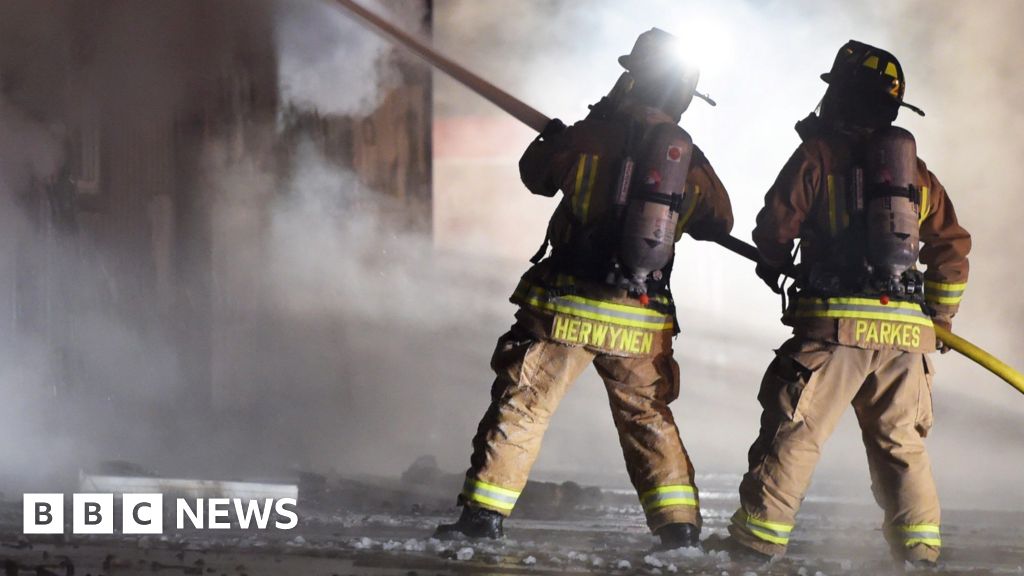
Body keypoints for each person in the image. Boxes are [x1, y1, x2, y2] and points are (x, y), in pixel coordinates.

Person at [434, 28, 733, 549]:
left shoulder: (591, 136)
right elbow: (719, 221)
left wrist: (588, 123)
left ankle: (483, 516)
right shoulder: (689, 159)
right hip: (641, 316)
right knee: (648, 418)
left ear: (633, 77)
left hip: (566, 305)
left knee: (524, 403)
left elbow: (535, 174)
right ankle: (678, 528)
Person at [721, 40, 971, 566]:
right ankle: (920, 550)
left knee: (797, 431)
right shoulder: (916, 173)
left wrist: (772, 257)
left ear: (837, 96)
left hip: (838, 325)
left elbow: (776, 223)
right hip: (907, 334)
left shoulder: (818, 154)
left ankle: (754, 546)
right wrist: (939, 317)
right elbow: (951, 247)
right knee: (901, 445)